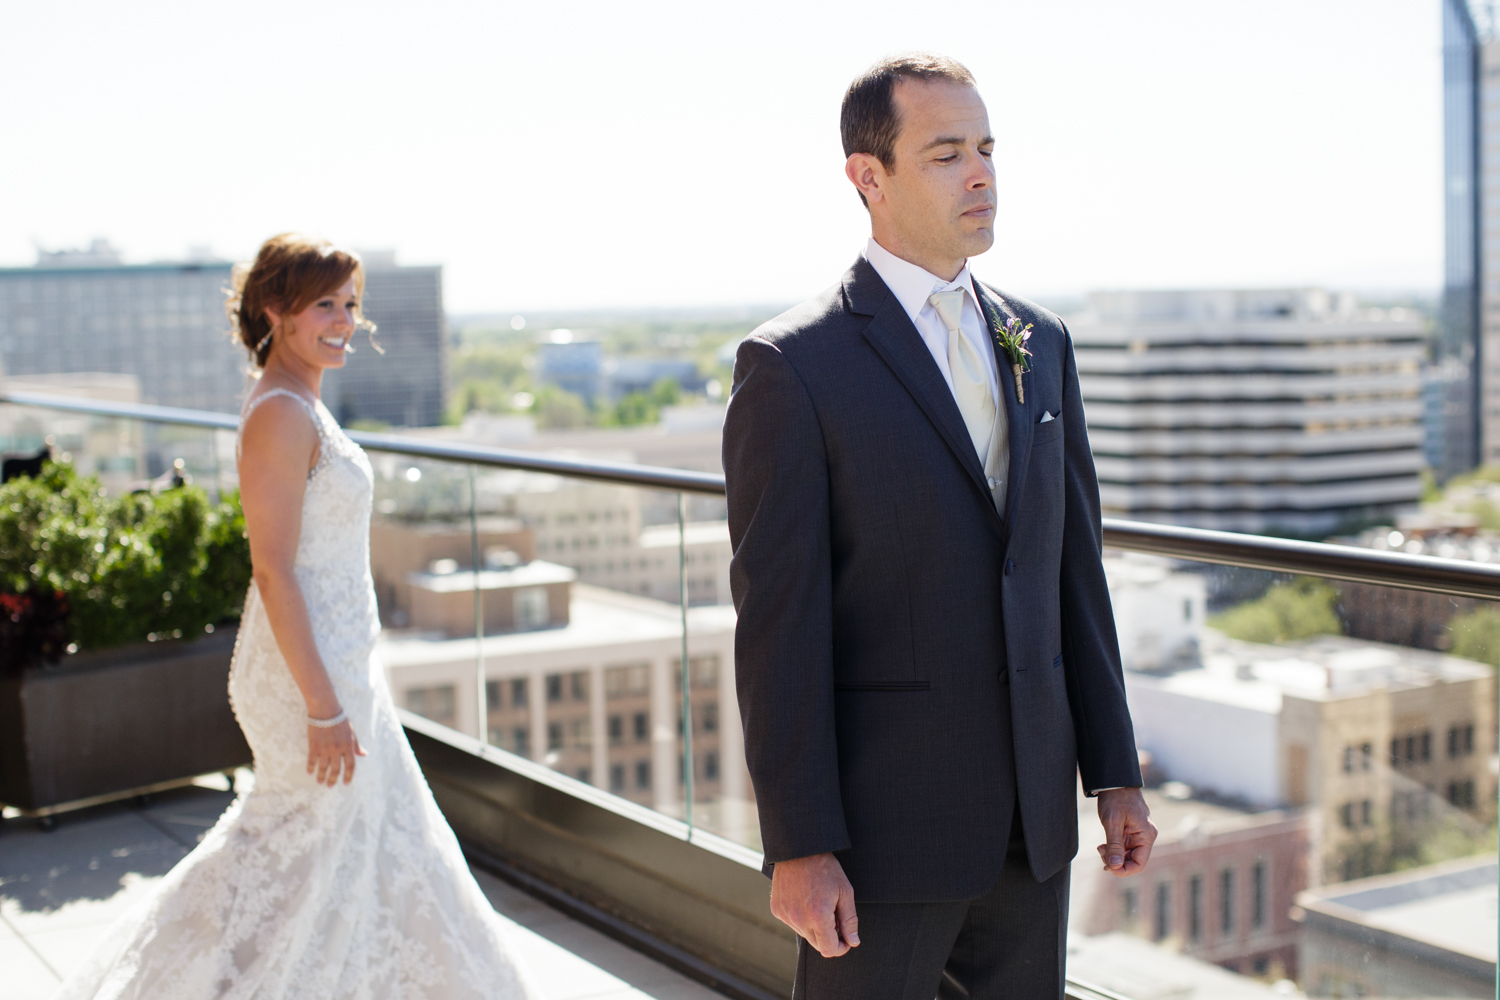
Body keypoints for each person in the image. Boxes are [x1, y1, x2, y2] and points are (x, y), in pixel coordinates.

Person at [722, 56, 1158, 999]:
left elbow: (1071, 571)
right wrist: (799, 846)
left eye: (988, 149)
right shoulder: (793, 366)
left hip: (1033, 825)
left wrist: (1112, 772)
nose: (982, 175)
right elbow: (778, 628)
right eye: (947, 153)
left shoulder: (1043, 342)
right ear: (867, 178)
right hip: (883, 834)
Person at [54, 234, 539, 1000]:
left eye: (351, 304)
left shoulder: (300, 397)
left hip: (340, 661)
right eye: (326, 305)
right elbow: (275, 569)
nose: (346, 320)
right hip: (307, 676)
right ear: (275, 311)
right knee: (299, 847)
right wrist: (322, 705)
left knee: (345, 845)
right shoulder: (281, 412)